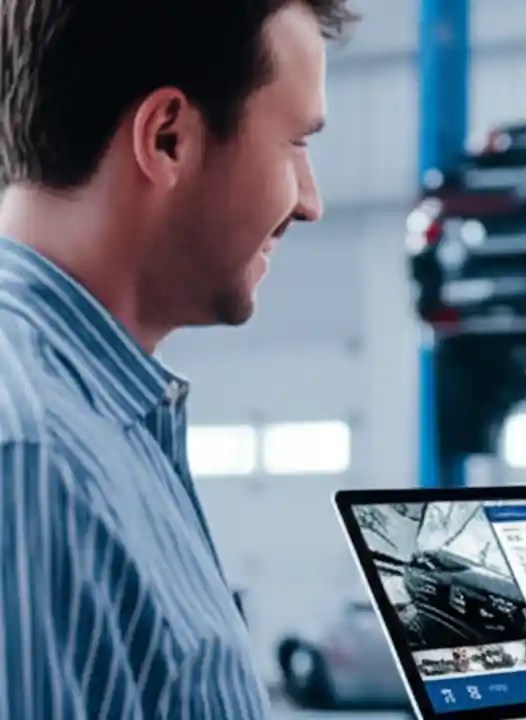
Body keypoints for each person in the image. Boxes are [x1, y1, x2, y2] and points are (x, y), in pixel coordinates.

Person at [0, 1, 355, 718]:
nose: (311, 201)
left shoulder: (103, 424)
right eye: (295, 143)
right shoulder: (33, 457)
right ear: (168, 138)